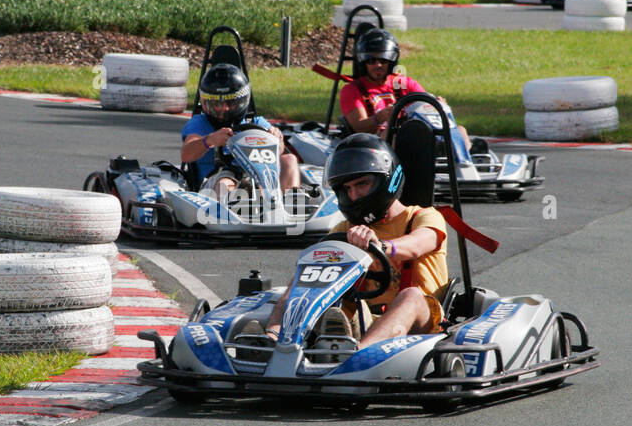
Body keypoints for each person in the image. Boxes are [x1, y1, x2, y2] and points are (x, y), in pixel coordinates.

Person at [264, 133, 449, 349]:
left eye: (362, 184)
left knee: (411, 295)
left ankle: (357, 356)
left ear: (387, 180)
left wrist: (381, 246)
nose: (354, 196)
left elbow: (417, 245)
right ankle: (272, 339)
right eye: (347, 189)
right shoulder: (345, 229)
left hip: (423, 324)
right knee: (304, 280)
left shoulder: (422, 217)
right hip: (367, 320)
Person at [339, 26, 477, 156]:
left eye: (383, 60)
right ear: (363, 63)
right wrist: (379, 117)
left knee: (460, 130)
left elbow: (425, 103)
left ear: (391, 61)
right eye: (371, 60)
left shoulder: (402, 83)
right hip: (376, 143)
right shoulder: (352, 90)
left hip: (412, 135)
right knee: (393, 133)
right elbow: (358, 127)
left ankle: (463, 159)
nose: (378, 65)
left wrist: (437, 105)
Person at [180, 61, 300, 194]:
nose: (223, 109)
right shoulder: (200, 123)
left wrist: (277, 139)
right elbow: (186, 154)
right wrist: (210, 140)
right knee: (225, 182)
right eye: (216, 104)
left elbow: (281, 151)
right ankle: (236, 206)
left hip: (258, 178)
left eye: (229, 103)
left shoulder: (254, 121)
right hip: (215, 182)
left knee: (289, 159)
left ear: (241, 100)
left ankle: (292, 205)